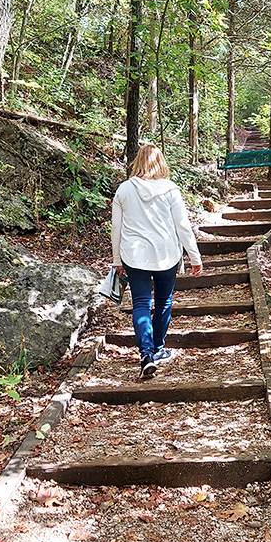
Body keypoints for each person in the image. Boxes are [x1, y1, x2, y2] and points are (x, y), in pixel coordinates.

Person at [111, 144, 203, 378]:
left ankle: (146, 354)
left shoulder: (124, 190)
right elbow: (182, 226)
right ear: (160, 162)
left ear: (136, 163)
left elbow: (117, 229)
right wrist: (195, 256)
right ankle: (158, 348)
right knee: (164, 301)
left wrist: (116, 259)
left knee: (141, 303)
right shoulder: (170, 189)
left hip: (134, 255)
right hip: (166, 254)